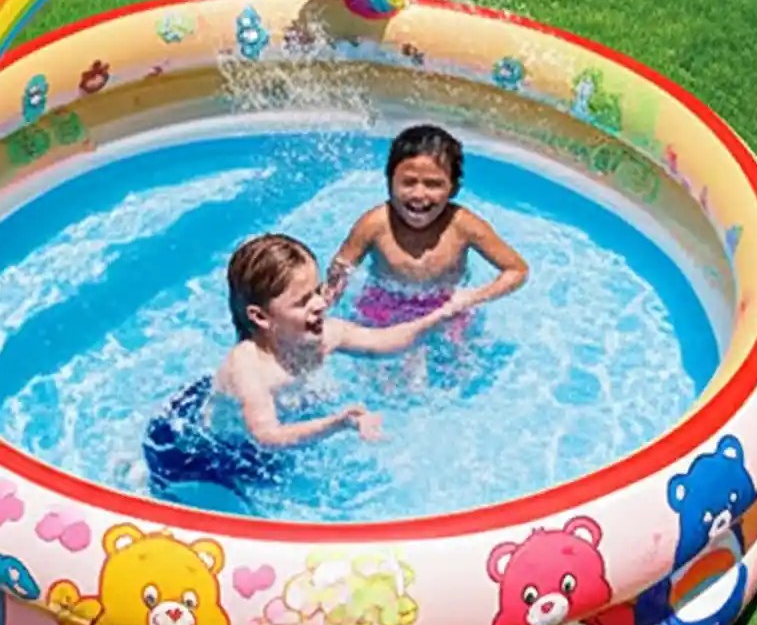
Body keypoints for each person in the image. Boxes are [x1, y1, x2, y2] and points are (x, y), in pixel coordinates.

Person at [142, 232, 467, 514]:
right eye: (302, 301)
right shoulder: (248, 368)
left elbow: (381, 342)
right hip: (202, 449)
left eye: (316, 290)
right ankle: (136, 475)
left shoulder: (322, 337)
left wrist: (434, 320)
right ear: (261, 317)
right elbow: (267, 436)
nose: (319, 304)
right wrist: (337, 423)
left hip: (256, 436)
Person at [325, 124, 529, 332]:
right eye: (408, 182)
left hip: (446, 305)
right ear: (389, 182)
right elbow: (341, 269)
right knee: (370, 357)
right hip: (384, 301)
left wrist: (472, 297)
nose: (419, 195)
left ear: (454, 188)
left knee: (457, 362)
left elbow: (517, 270)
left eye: (433, 185)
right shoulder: (374, 224)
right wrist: (325, 301)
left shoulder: (463, 225)